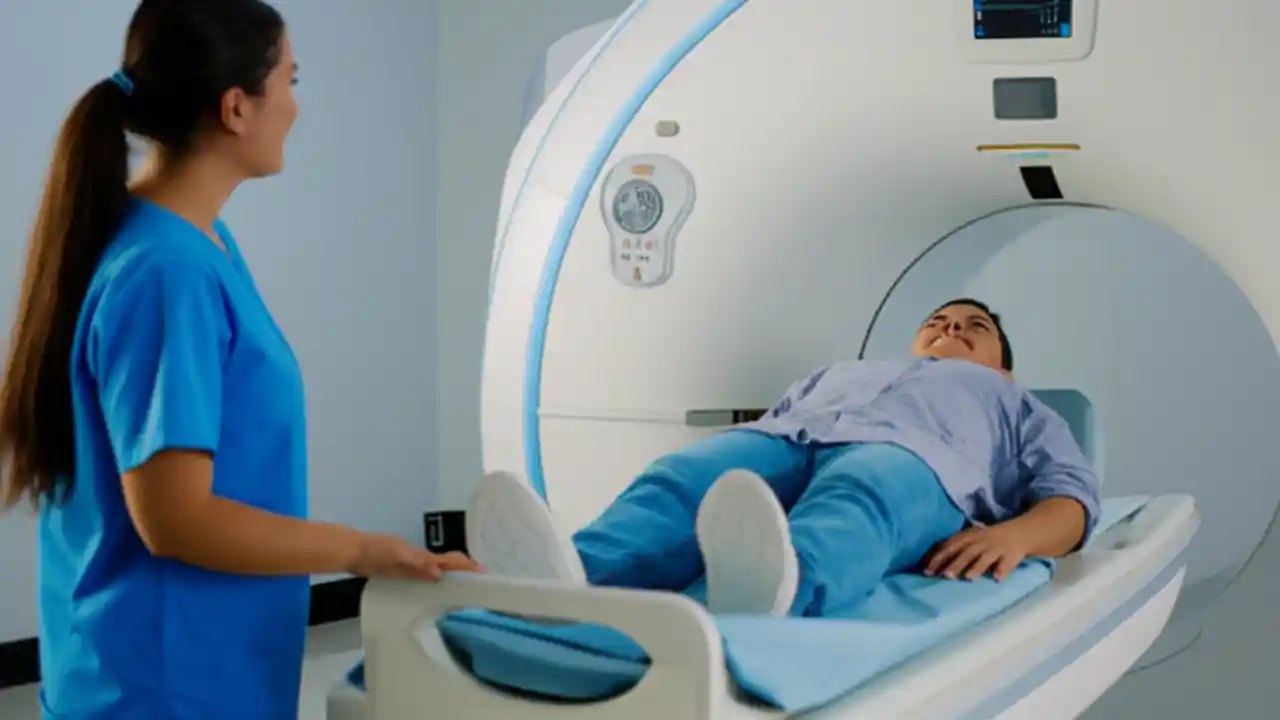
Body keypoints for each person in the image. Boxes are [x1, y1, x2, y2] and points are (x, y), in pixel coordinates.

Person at [0, 2, 478, 717]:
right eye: (289, 79)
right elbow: (177, 519)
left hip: (194, 663)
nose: (294, 105)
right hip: (165, 685)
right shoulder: (167, 270)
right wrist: (360, 551)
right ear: (235, 108)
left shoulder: (193, 243)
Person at [468, 298, 1101, 618]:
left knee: (860, 496)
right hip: (789, 436)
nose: (951, 328)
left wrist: (1017, 536)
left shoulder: (1015, 405)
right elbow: (776, 421)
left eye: (974, 327)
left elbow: (1073, 499)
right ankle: (564, 578)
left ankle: (759, 595)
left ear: (1005, 367)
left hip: (916, 462)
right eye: (938, 320)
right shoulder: (846, 370)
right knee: (682, 480)